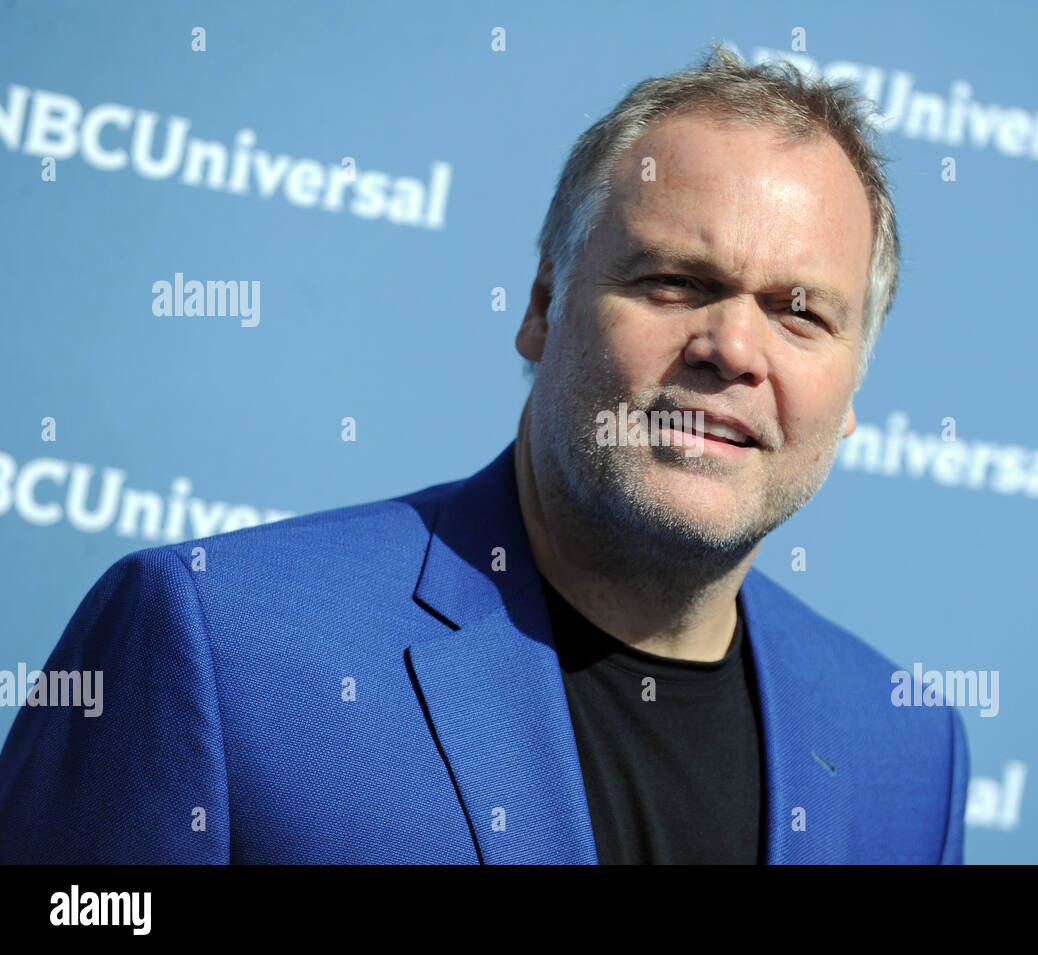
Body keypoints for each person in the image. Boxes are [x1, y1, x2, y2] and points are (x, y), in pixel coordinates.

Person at [0, 44, 968, 864]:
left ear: (851, 393)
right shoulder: (216, 642)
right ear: (543, 305)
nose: (733, 349)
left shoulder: (907, 753)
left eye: (800, 314)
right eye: (674, 282)